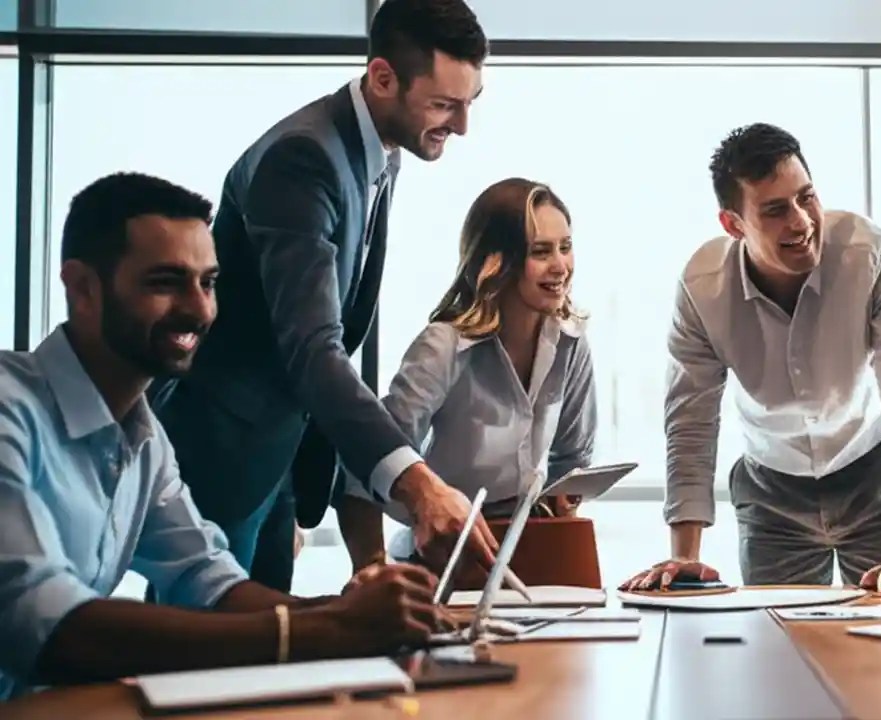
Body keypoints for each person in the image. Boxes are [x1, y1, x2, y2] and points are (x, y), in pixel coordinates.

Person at [0, 173, 451, 701]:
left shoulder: (144, 436)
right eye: (166, 282)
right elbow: (43, 624)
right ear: (82, 289)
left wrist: (357, 615)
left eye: (208, 282)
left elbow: (208, 580)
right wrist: (326, 630)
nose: (199, 309)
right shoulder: (11, 410)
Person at [148, 0, 497, 593]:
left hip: (276, 453)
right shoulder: (303, 157)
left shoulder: (379, 150)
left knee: (264, 662)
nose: (461, 125)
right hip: (227, 454)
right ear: (383, 78)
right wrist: (417, 482)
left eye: (470, 103)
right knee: (199, 659)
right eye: (444, 105)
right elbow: (313, 345)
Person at [620, 123, 881, 592]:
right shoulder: (701, 288)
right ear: (733, 225)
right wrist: (684, 559)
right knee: (774, 647)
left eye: (806, 197)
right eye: (774, 211)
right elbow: (690, 423)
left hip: (874, 476)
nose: (800, 221)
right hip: (771, 491)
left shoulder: (877, 257)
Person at [338, 178, 596, 572]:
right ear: (496, 260)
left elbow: (572, 458)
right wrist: (371, 569)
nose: (560, 266)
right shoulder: (443, 346)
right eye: (540, 252)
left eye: (566, 247)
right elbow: (366, 464)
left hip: (528, 547)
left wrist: (563, 502)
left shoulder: (570, 341)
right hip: (439, 554)